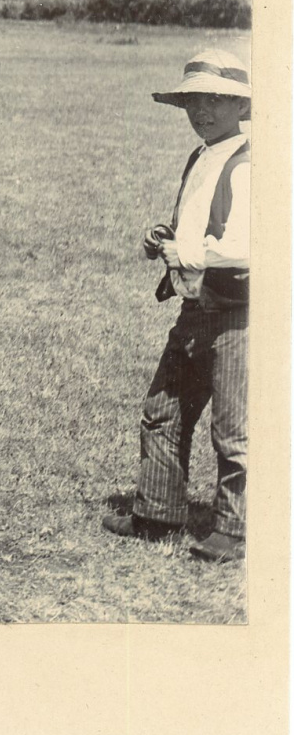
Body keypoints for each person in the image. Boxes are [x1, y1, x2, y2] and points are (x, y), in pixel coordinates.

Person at [103, 49, 250, 563]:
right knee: (163, 410)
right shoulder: (201, 157)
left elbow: (247, 246)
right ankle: (158, 511)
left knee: (233, 428)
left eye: (216, 100)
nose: (201, 111)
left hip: (238, 314)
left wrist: (185, 252)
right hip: (196, 307)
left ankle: (235, 531)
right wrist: (164, 237)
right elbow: (196, 225)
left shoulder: (247, 165)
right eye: (192, 101)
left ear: (241, 106)